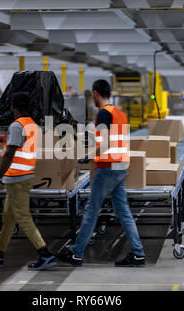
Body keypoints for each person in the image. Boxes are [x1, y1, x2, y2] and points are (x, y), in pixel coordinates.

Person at [57, 80, 146, 267]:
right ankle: (138, 253)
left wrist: (86, 157)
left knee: (91, 210)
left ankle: (77, 253)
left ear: (96, 94)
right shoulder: (119, 113)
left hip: (107, 167)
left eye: (93, 97)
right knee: (123, 212)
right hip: (121, 165)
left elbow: (104, 145)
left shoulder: (104, 115)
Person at [0, 92, 57, 271]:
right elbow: (14, 142)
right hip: (24, 176)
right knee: (8, 217)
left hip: (16, 179)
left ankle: (45, 253)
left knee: (23, 217)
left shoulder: (16, 125)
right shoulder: (31, 124)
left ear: (13, 106)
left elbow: (10, 152)